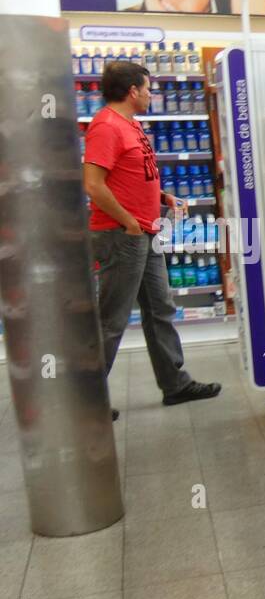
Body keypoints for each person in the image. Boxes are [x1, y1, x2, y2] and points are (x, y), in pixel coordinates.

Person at [83, 61, 220, 418]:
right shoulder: (106, 127)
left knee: (160, 309)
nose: (150, 94)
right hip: (121, 235)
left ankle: (175, 385)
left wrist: (163, 197)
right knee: (112, 321)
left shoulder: (131, 125)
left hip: (145, 231)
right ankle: (86, 402)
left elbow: (130, 176)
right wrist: (128, 221)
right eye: (147, 88)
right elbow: (93, 185)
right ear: (132, 91)